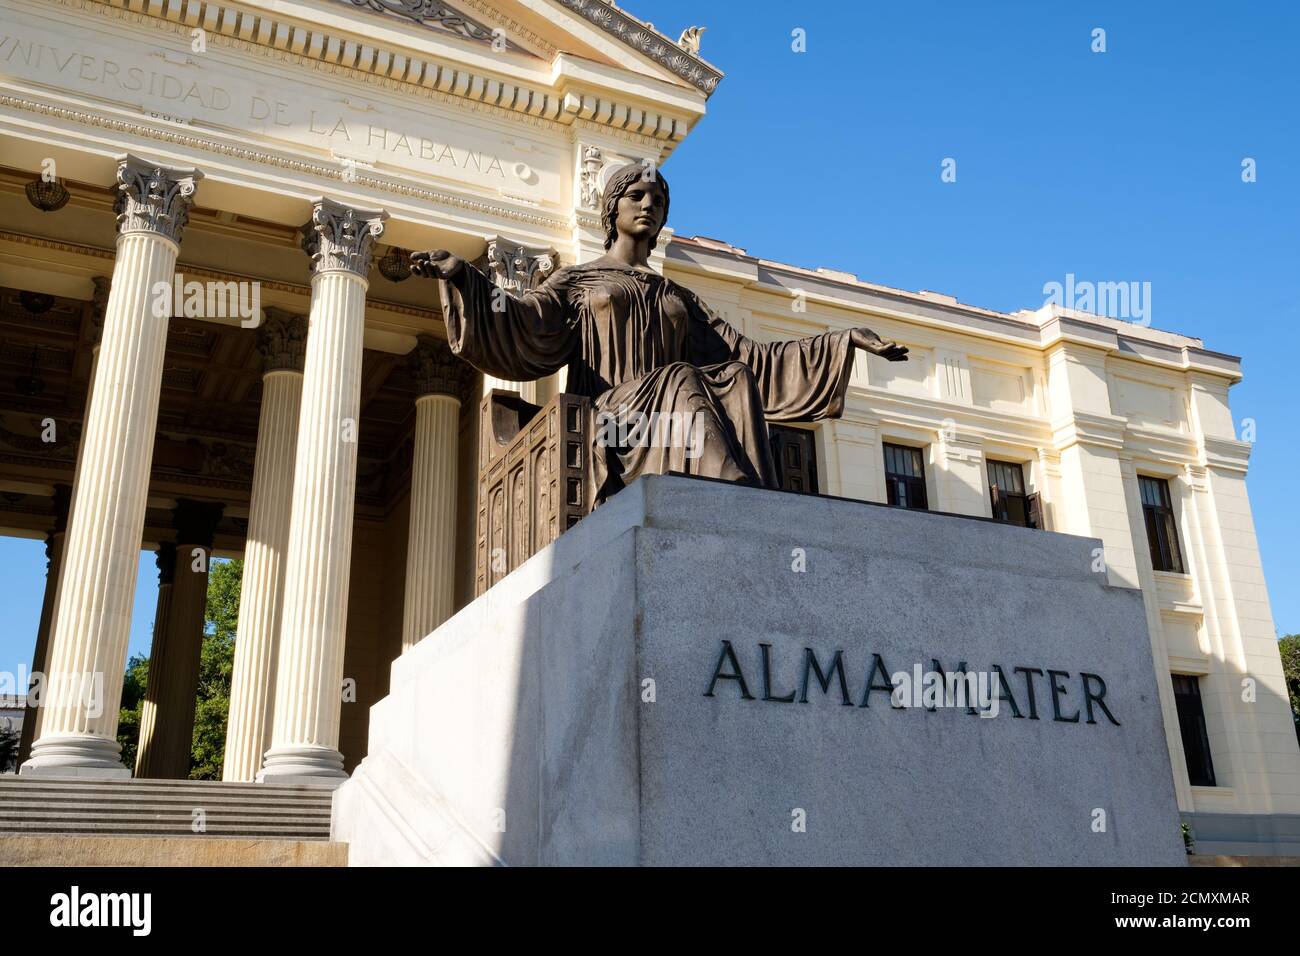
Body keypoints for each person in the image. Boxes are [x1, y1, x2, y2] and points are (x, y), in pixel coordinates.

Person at [413, 162, 908, 502]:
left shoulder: (677, 295)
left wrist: (840, 342)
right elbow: (523, 318)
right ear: (613, 210)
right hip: (608, 421)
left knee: (731, 375)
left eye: (657, 200)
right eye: (636, 196)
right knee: (679, 377)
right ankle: (729, 488)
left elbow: (748, 356)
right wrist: (464, 277)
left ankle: (732, 494)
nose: (648, 205)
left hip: (671, 418)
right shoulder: (577, 280)